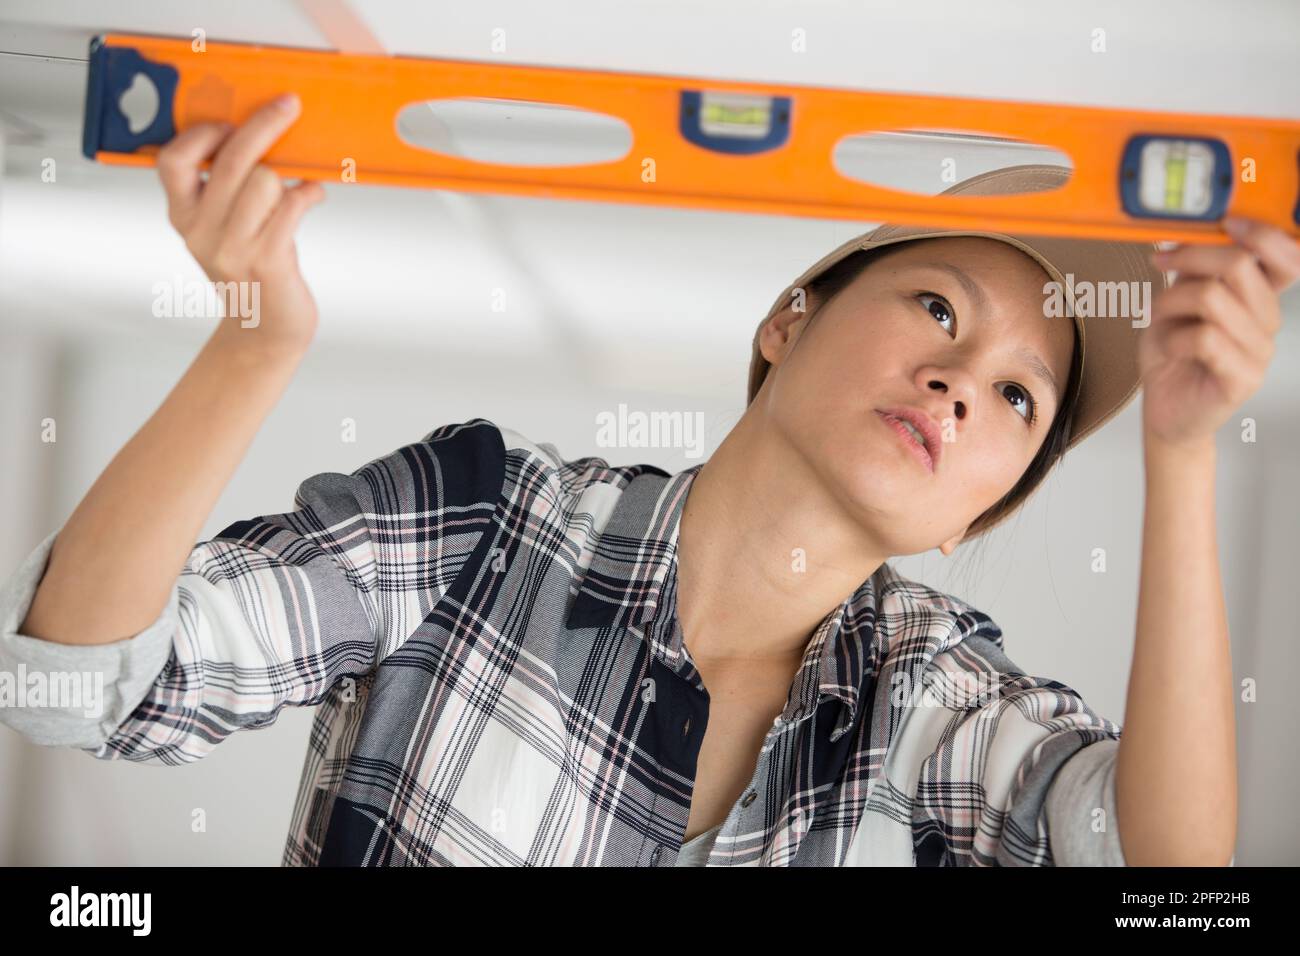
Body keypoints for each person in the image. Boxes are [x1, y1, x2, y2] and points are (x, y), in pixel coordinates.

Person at [1, 94, 1297, 866]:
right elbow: (74, 684)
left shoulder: (940, 707)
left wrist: (1179, 455)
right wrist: (258, 338)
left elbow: (1156, 872)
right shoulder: (480, 527)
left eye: (1021, 396)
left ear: (981, 513)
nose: (964, 383)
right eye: (934, 304)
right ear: (788, 322)